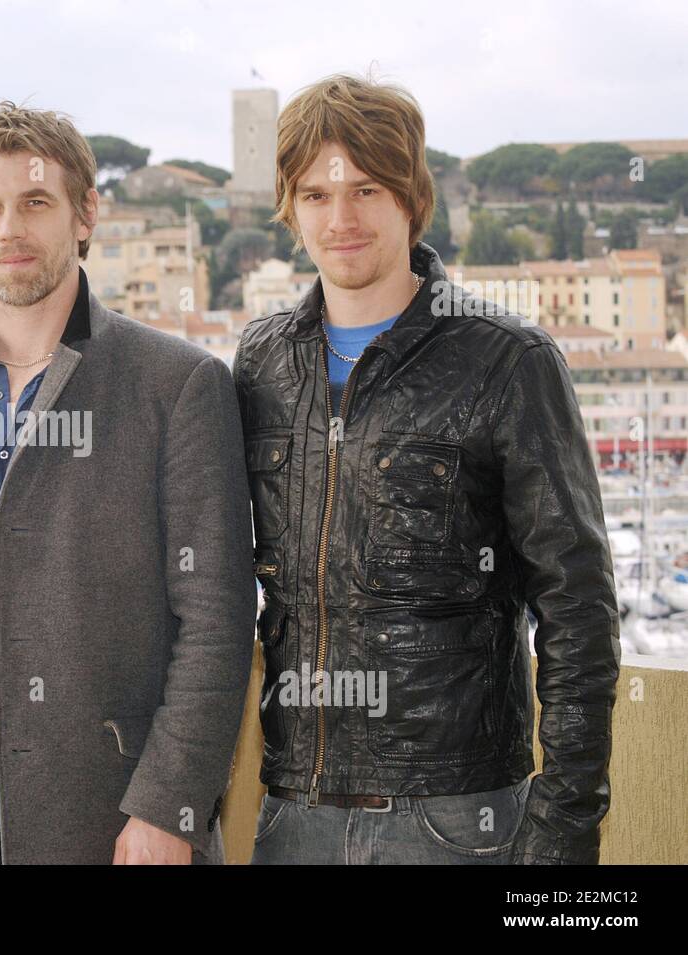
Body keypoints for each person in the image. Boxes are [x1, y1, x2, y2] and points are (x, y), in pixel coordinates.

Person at [0, 102, 255, 864]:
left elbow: (216, 618)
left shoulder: (178, 384)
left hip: (111, 822)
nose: (11, 228)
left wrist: (171, 803)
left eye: (36, 202)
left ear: (84, 214)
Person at [234, 73, 620, 864]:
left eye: (366, 188)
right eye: (314, 194)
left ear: (412, 195)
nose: (339, 219)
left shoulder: (507, 361)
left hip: (455, 820)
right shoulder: (262, 362)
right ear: (290, 208)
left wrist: (563, 828)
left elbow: (578, 610)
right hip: (289, 817)